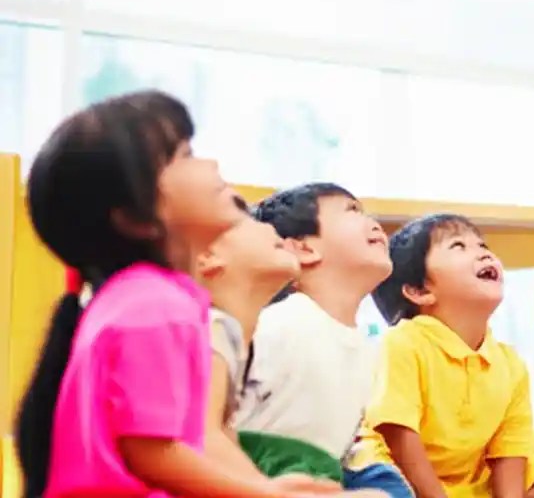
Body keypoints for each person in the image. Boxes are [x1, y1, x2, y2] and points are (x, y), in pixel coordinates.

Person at [14, 90, 329, 498]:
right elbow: (151, 455)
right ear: (134, 218)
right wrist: (267, 495)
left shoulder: (143, 298)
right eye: (183, 154)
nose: (211, 163)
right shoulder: (154, 304)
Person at [349, 213, 534, 498]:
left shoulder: (509, 362)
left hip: (468, 480)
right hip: (398, 474)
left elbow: (510, 450)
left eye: (482, 246)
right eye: (459, 247)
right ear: (419, 290)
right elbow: (398, 433)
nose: (482, 254)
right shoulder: (404, 341)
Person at [235, 183, 409, 495]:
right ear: (304, 248)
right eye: (352, 210)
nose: (374, 223)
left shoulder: (366, 351)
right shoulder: (278, 325)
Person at [195, 195, 341, 489]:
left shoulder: (233, 340)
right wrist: (268, 490)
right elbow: (203, 437)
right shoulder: (210, 328)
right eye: (247, 220)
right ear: (207, 256)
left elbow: (224, 438)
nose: (268, 228)